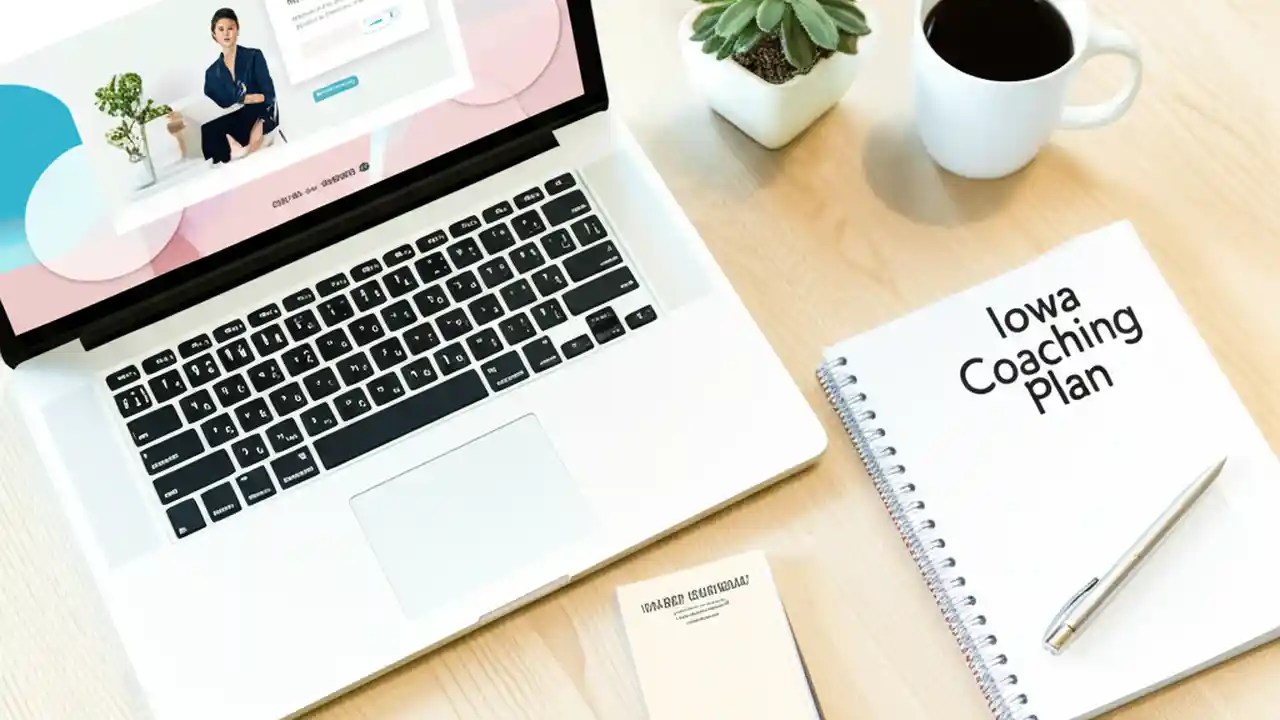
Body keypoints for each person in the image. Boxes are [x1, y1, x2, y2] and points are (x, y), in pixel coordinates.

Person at [202, 8, 279, 163]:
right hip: (237, 116)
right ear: (214, 35)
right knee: (209, 130)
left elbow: (268, 94)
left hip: (262, 111)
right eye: (221, 29)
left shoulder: (254, 56)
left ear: (237, 30)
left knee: (255, 116)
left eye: (230, 28)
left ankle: (247, 151)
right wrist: (246, 98)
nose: (226, 34)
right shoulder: (212, 72)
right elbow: (222, 102)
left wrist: (242, 99)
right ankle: (230, 158)